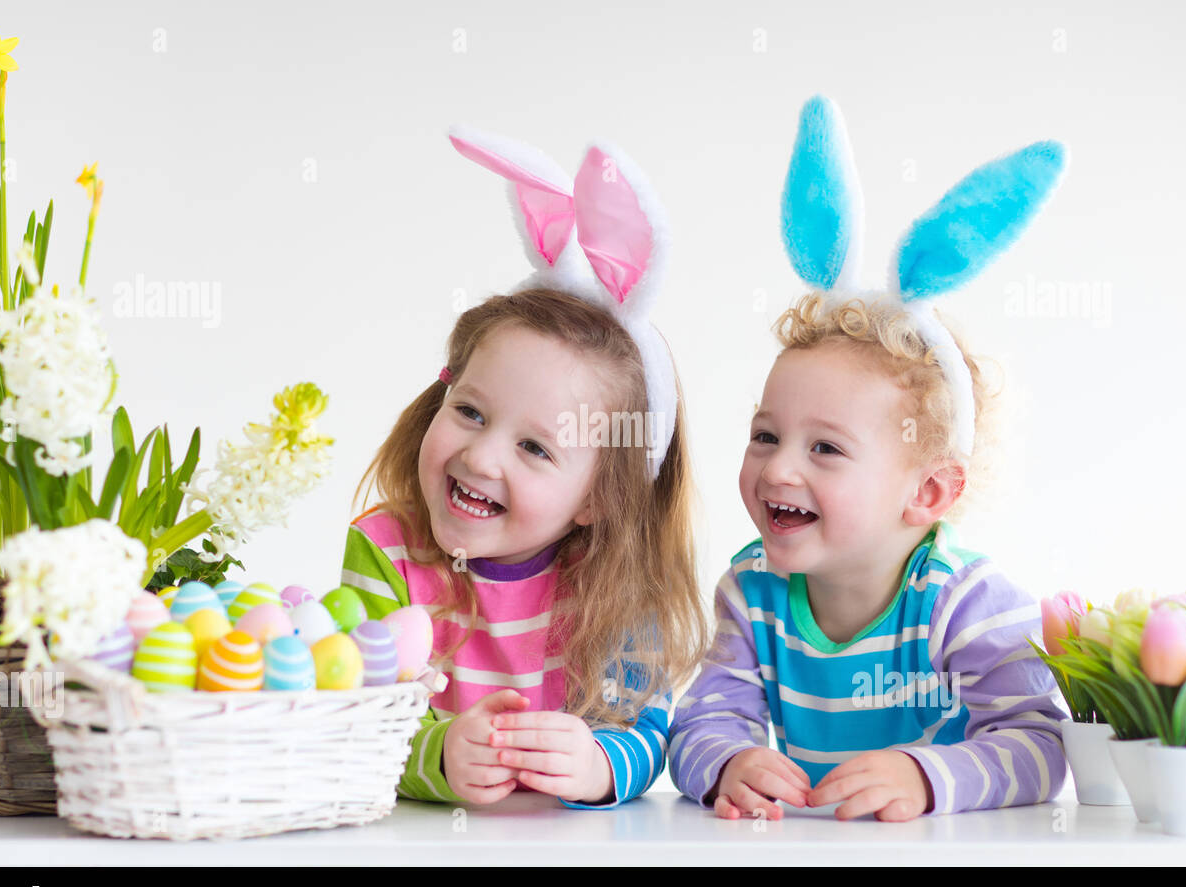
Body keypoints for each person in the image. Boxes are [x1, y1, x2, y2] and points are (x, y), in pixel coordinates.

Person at [668, 96, 1070, 822]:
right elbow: (700, 721)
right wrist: (731, 761)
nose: (778, 469)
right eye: (766, 435)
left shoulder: (963, 603)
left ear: (928, 494)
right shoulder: (752, 592)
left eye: (825, 448)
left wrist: (927, 778)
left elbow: (1039, 745)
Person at [342, 126, 706, 809]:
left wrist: (598, 762)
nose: (479, 457)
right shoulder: (385, 551)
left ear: (599, 495)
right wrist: (441, 755)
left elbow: (645, 729)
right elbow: (356, 722)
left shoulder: (617, 583)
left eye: (535, 449)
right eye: (471, 412)